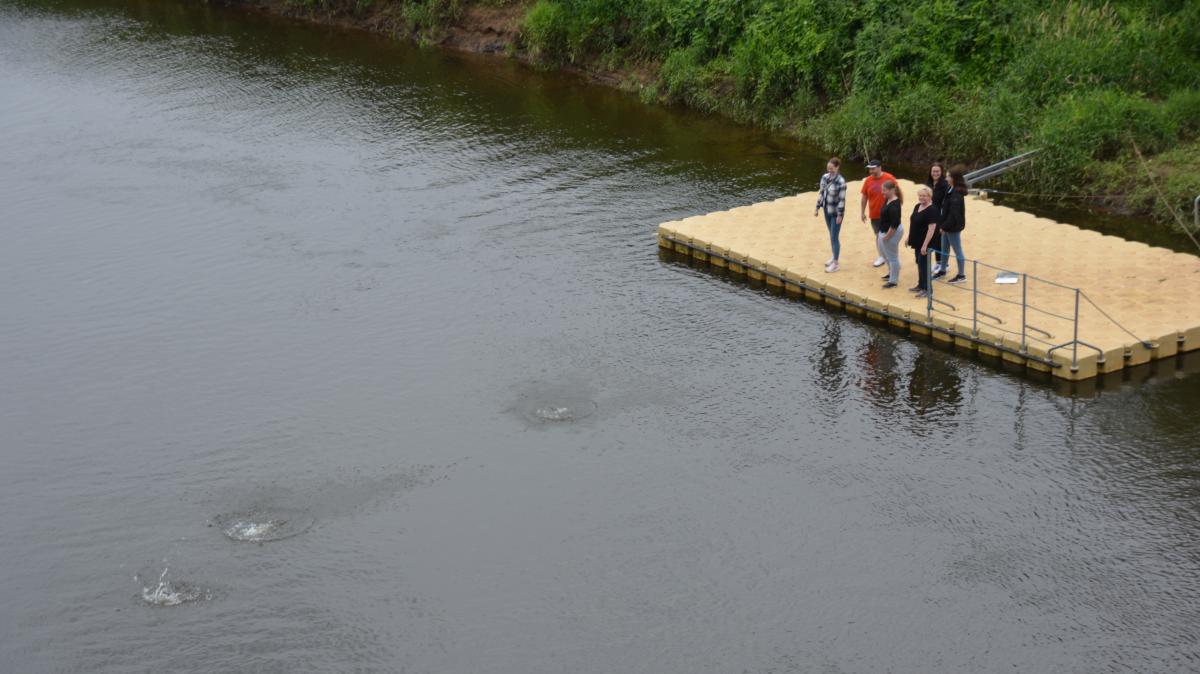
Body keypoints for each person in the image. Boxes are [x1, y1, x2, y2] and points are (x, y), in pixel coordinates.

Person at [935, 166, 969, 284]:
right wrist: (943, 225)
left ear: (953, 178)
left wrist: (944, 226)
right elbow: (946, 209)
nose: (946, 177)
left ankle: (961, 275)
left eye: (948, 176)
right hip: (947, 226)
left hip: (953, 227)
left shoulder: (956, 194)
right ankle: (942, 270)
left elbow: (953, 215)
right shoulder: (950, 189)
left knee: (957, 250)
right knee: (944, 248)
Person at [859, 159, 896, 268]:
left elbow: (897, 193)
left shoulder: (889, 178)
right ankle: (881, 256)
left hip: (888, 214)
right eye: (870, 169)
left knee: (889, 236)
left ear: (880, 167)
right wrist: (862, 212)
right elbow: (864, 196)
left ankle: (891, 255)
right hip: (874, 213)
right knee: (878, 236)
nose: (871, 171)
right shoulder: (868, 180)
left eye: (873, 168)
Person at [813, 157, 847, 272]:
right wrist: (817, 207)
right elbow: (821, 193)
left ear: (837, 167)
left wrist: (840, 215)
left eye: (832, 168)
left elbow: (842, 200)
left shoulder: (841, 182)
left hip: (836, 212)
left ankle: (836, 264)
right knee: (831, 234)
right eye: (828, 168)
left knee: (834, 236)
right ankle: (834, 256)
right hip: (826, 210)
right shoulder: (824, 177)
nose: (830, 170)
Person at [906, 186, 939, 297]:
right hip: (917, 241)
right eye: (920, 195)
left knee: (924, 265)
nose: (922, 198)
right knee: (919, 263)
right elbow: (913, 223)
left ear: (929, 197)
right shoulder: (917, 206)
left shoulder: (932, 210)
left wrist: (925, 245)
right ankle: (921, 285)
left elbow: (932, 229)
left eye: (924, 196)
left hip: (926, 243)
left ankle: (928, 290)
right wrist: (908, 237)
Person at [878, 180, 904, 288]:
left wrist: (887, 236)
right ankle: (891, 273)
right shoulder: (888, 199)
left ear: (892, 190)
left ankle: (893, 281)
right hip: (884, 231)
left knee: (892, 257)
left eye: (884, 190)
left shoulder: (894, 205)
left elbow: (895, 224)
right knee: (885, 254)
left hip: (892, 232)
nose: (882, 193)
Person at [926, 162, 950, 273]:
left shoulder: (945, 185)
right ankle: (938, 262)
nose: (935, 173)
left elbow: (946, 203)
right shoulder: (929, 183)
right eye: (933, 171)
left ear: (941, 172)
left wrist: (943, 219)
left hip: (941, 216)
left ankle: (944, 264)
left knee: (942, 241)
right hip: (931, 214)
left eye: (937, 171)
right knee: (935, 240)